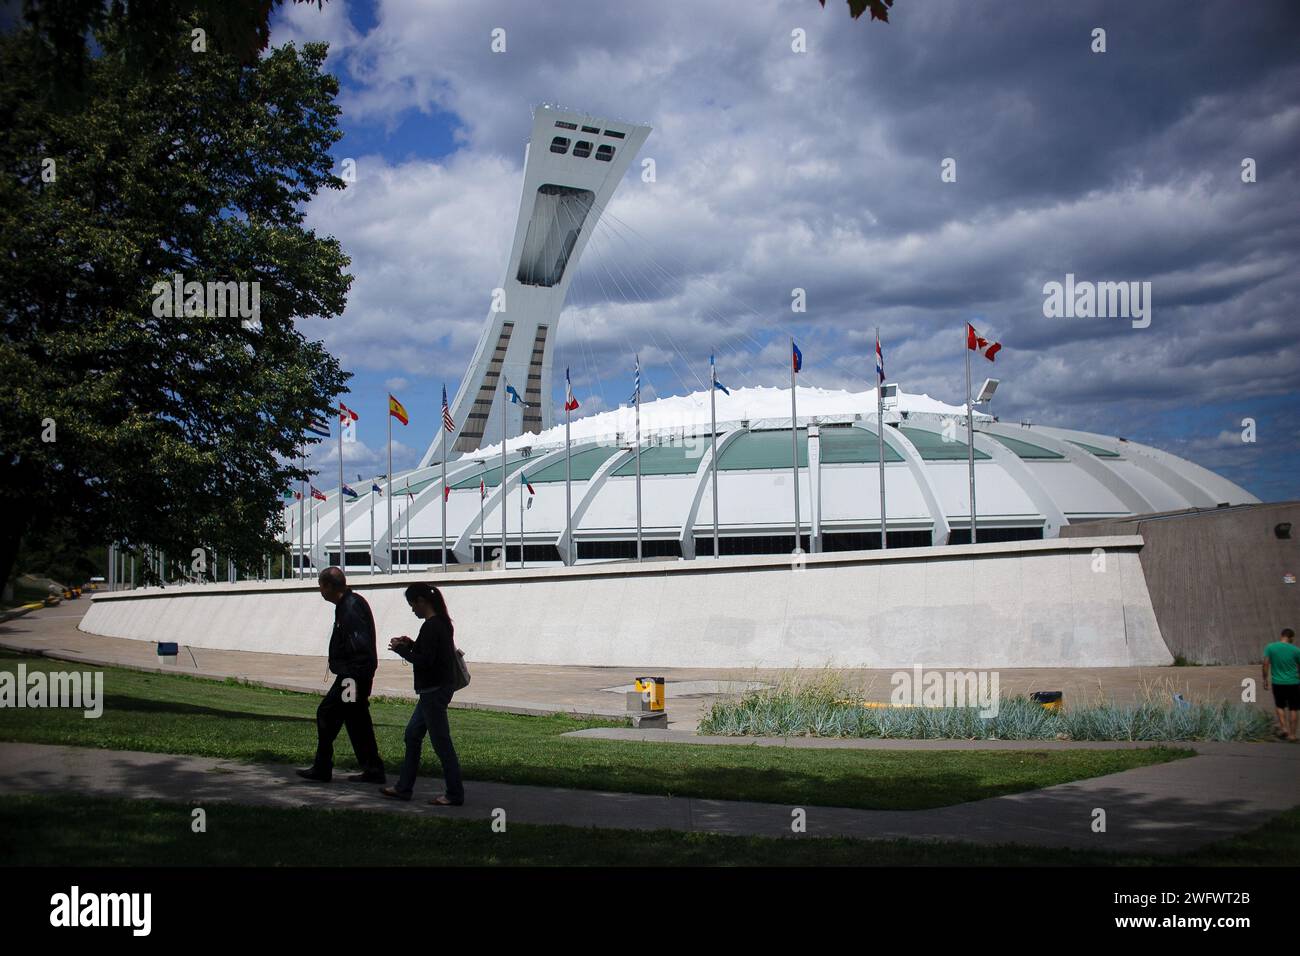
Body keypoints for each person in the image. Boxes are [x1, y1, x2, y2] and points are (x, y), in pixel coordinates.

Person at [297, 567, 386, 782]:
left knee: (327, 713)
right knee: (356, 719)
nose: (320, 590)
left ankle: (323, 767)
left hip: (352, 677)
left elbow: (358, 644)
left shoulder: (350, 607)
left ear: (328, 585)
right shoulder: (348, 604)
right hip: (355, 674)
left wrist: (349, 673)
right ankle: (372, 769)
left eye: (320, 585)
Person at [380, 583, 465, 805]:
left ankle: (454, 794)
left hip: (433, 691)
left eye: (412, 604)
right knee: (412, 735)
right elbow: (431, 652)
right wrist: (410, 644)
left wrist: (401, 650)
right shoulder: (442, 623)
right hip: (436, 690)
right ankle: (403, 787)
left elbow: (426, 661)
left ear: (421, 601)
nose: (412, 610)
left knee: (441, 742)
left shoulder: (431, 626)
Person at [1262, 627, 1299, 742]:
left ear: (1282, 636)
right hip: (1294, 682)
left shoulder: (1270, 648)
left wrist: (1265, 679)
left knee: (1280, 706)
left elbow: (1265, 664)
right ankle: (1292, 735)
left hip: (1278, 682)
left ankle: (1284, 728)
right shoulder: (1296, 650)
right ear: (1291, 637)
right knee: (1294, 708)